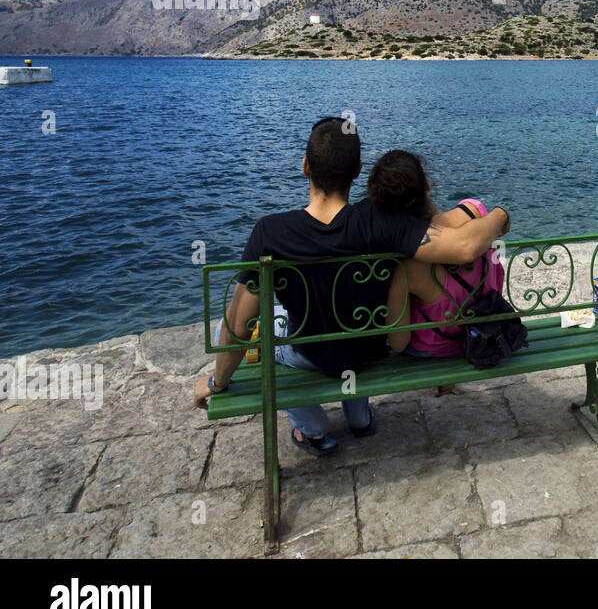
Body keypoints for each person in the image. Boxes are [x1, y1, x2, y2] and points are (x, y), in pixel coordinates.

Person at [192, 117, 510, 456]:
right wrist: (500, 215)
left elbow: (238, 327)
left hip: (310, 354)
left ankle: (313, 429)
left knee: (231, 333)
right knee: (345, 318)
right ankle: (359, 419)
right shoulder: (381, 220)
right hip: (366, 352)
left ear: (305, 167)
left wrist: (216, 383)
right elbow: (462, 246)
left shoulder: (270, 232)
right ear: (358, 170)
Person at [365, 150, 498, 394]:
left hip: (434, 348)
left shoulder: (406, 266)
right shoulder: (475, 211)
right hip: (482, 330)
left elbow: (398, 342)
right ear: (426, 184)